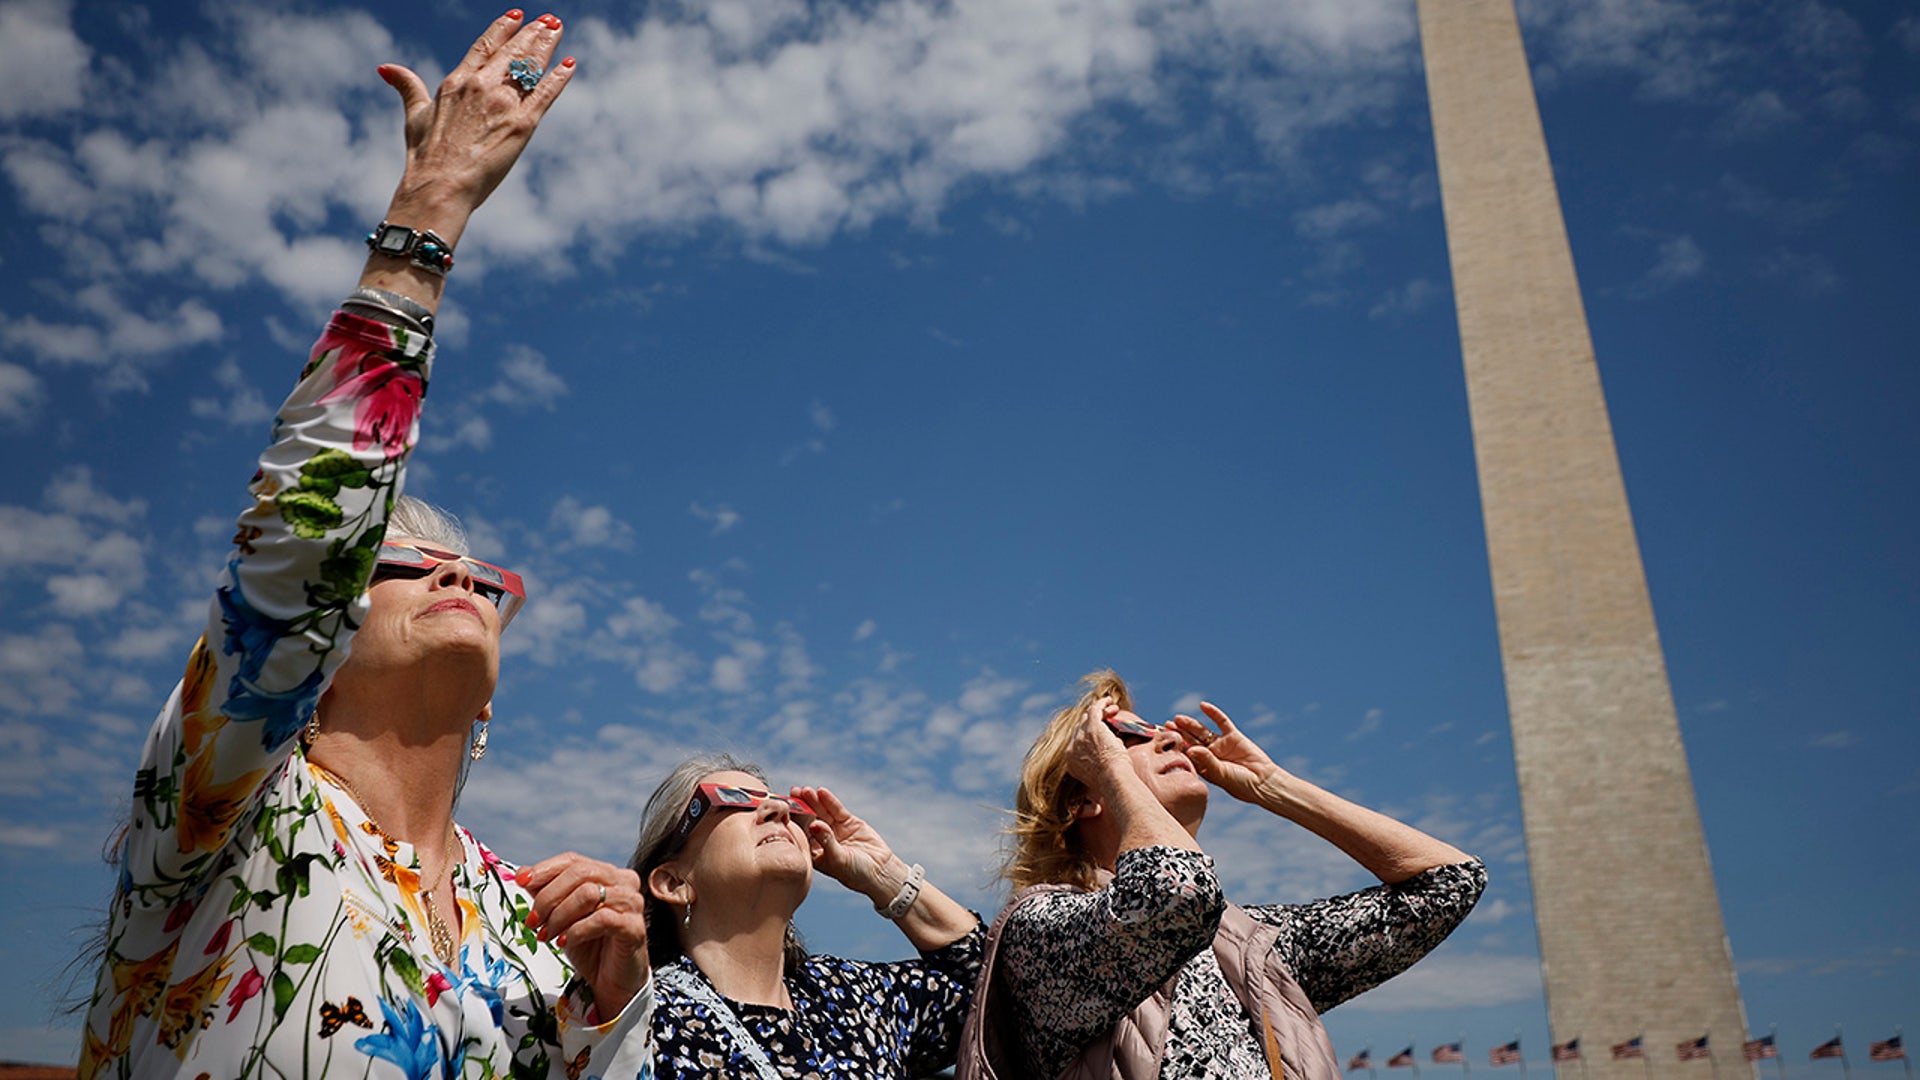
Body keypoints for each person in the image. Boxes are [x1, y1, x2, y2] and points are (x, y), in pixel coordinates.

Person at [74, 13, 657, 1080]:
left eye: (483, 578)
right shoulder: (230, 812)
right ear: (317, 642)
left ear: (493, 700)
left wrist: (607, 1010)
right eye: (403, 563)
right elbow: (300, 548)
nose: (457, 575)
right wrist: (429, 212)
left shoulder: (526, 917)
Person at [959, 670, 1487, 1080]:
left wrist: (1274, 786)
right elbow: (1171, 898)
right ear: (1083, 798)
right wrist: (1114, 772)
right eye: (1133, 734)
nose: (1169, 737)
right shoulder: (1041, 927)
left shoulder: (1247, 946)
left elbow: (1447, 884)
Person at [627, 754, 984, 1078]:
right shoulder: (637, 1020)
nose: (777, 812)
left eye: (786, 805)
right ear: (674, 883)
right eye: (733, 800)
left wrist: (887, 877)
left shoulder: (851, 997)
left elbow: (999, 988)